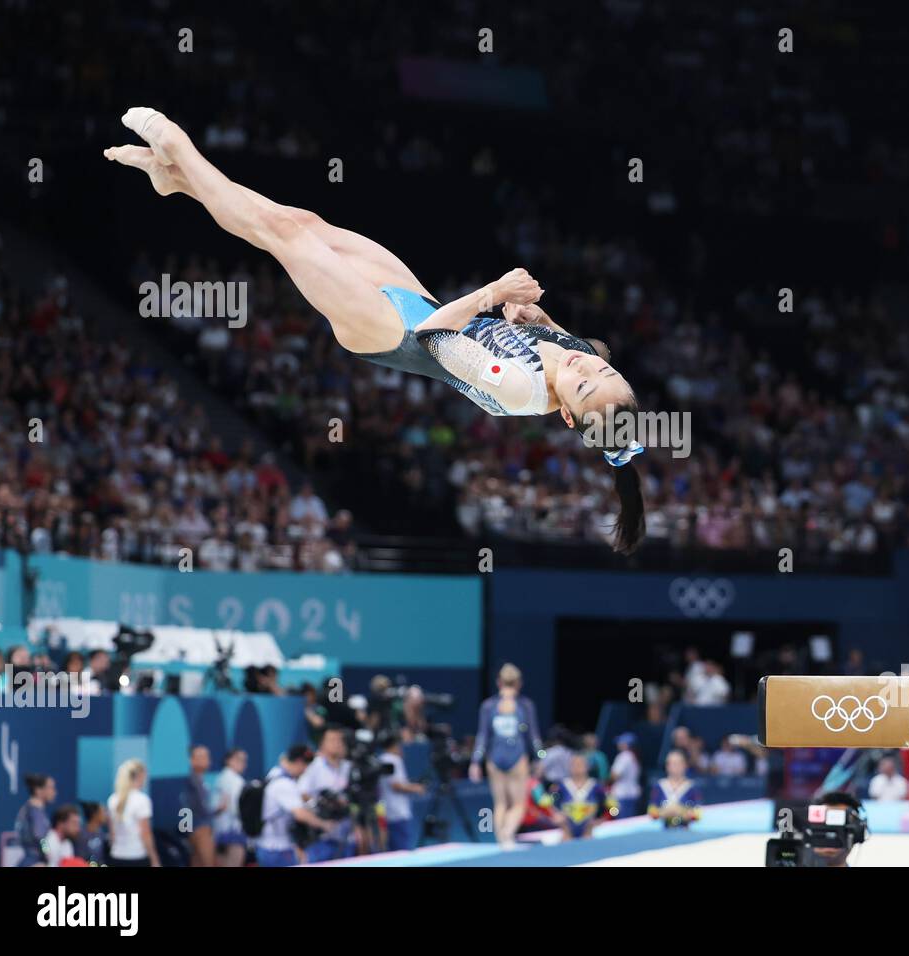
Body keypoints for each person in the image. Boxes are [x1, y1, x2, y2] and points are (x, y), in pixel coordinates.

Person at [106, 107, 647, 553]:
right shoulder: (579, 355)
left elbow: (435, 338)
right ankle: (175, 181)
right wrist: (530, 313)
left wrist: (493, 294)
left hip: (392, 334)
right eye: (601, 369)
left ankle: (178, 146)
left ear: (570, 415)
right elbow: (552, 338)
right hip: (416, 301)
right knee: (304, 224)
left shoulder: (521, 390)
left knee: (278, 237)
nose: (583, 366)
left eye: (582, 385)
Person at [469, 663, 542, 850]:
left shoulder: (488, 706)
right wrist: (540, 757)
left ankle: (502, 840)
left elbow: (482, 736)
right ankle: (508, 834)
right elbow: (533, 736)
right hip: (517, 756)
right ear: (519, 683)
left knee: (500, 803)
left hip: (495, 757)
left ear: (499, 682)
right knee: (518, 803)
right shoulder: (525, 705)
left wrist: (475, 761)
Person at [256, 745, 336, 867]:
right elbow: (300, 814)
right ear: (299, 762)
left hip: (271, 846)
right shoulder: (284, 784)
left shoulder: (275, 773)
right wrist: (324, 824)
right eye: (305, 766)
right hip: (277, 850)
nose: (305, 770)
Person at [298, 726, 353, 862]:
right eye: (332, 740)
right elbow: (302, 792)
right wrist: (319, 807)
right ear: (322, 744)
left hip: (345, 830)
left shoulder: (348, 767)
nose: (337, 743)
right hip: (322, 833)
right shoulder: (314, 766)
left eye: (340, 740)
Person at [107, 758, 161, 867]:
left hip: (116, 857)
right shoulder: (142, 800)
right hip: (136, 857)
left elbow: (112, 834)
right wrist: (154, 859)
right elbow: (145, 834)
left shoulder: (112, 799)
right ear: (140, 776)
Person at [378, 733, 427, 852]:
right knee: (401, 850)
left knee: (394, 849)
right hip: (397, 812)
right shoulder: (393, 760)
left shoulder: (381, 759)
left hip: (388, 811)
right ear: (394, 745)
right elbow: (396, 785)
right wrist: (417, 788)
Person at [543, 753, 606, 840]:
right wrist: (556, 816)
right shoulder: (561, 786)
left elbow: (609, 805)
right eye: (574, 764)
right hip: (567, 832)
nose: (577, 767)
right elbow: (546, 803)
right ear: (569, 767)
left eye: (580, 764)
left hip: (588, 832)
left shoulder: (596, 787)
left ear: (587, 766)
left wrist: (599, 820)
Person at [648, 750, 703, 828]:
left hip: (685, 831)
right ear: (667, 766)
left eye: (678, 763)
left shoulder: (692, 787)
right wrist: (664, 812)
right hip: (665, 831)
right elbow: (652, 812)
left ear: (685, 765)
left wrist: (680, 811)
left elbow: (698, 814)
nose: (676, 767)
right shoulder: (660, 786)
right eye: (672, 763)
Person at [213, 749, 249, 866]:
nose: (243, 764)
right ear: (228, 761)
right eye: (239, 760)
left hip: (218, 831)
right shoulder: (236, 781)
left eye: (244, 761)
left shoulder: (219, 778)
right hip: (233, 832)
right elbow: (237, 809)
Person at [182, 745, 217, 866]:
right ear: (192, 760)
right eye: (203, 757)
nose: (208, 760)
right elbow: (192, 807)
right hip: (199, 829)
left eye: (208, 756)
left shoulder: (200, 780)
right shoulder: (192, 780)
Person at [14, 774, 56, 866]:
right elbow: (39, 837)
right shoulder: (35, 811)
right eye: (51, 788)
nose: (54, 792)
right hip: (34, 861)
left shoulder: (29, 808)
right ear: (38, 790)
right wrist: (47, 852)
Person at [608, 733, 643, 819]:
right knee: (628, 822)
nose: (618, 744)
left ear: (626, 744)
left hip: (622, 795)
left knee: (620, 823)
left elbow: (615, 776)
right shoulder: (634, 756)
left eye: (620, 742)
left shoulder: (624, 756)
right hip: (633, 794)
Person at [73, 802, 109, 866]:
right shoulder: (81, 835)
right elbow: (80, 860)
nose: (106, 815)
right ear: (94, 815)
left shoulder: (101, 833)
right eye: (104, 811)